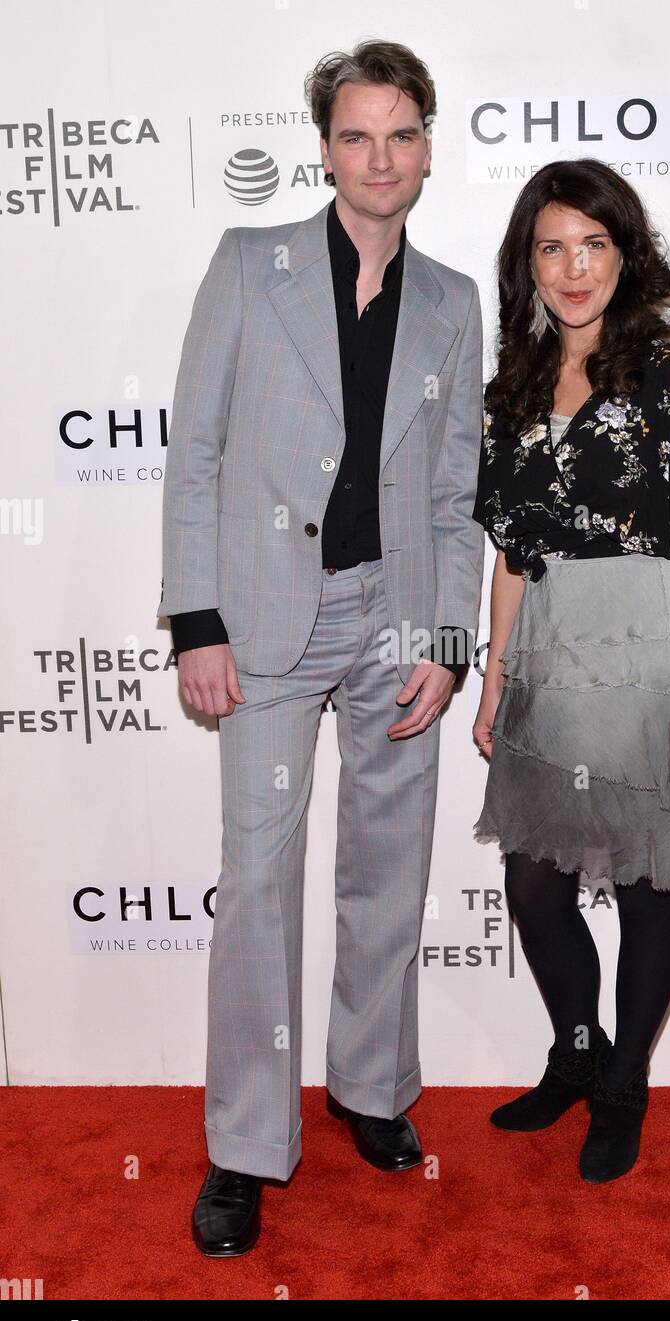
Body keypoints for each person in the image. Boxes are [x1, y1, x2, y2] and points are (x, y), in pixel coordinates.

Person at [156, 40, 484, 1255]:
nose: (379, 157)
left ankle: (369, 1086)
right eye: (357, 135)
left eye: (400, 134)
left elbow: (453, 499)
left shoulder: (452, 301)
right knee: (256, 879)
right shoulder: (253, 266)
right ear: (325, 147)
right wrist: (197, 617)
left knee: (386, 865)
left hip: (395, 618)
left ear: (428, 147)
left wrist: (450, 635)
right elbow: (193, 452)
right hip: (266, 619)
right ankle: (245, 1143)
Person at [471, 158, 670, 1184]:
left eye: (591, 243)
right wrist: (495, 677)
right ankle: (574, 1051)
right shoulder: (510, 386)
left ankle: (624, 1083)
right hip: (548, 655)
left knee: (644, 886)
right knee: (533, 884)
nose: (572, 265)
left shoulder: (666, 374)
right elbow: (509, 552)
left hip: (645, 656)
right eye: (551, 246)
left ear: (622, 255)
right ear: (529, 264)